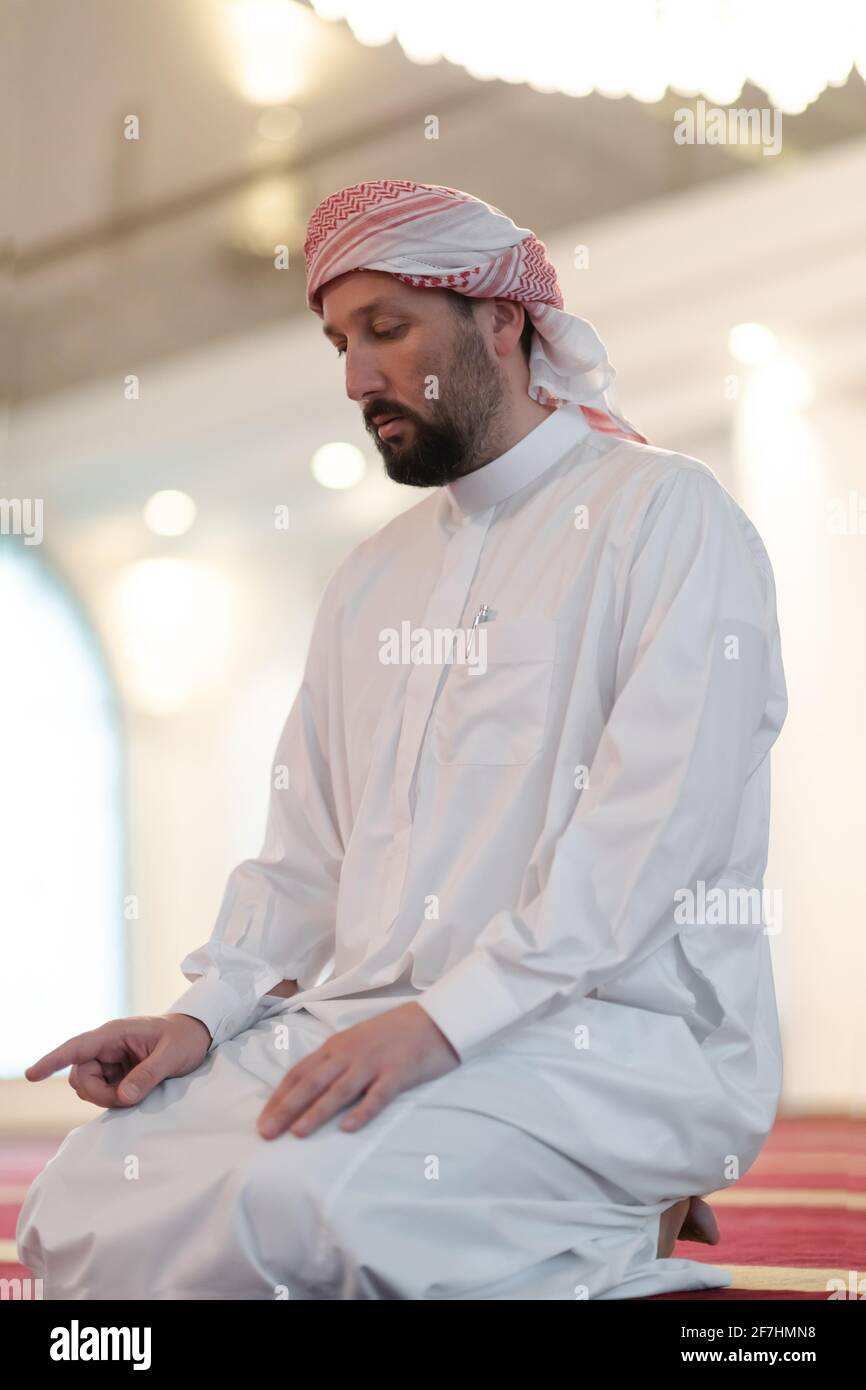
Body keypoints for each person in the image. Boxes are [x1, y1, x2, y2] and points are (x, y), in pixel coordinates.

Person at [17, 179, 787, 1300]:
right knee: (87, 1195)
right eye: (339, 341)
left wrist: (445, 1024)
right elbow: (303, 859)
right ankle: (553, 1227)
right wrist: (202, 1014)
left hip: (603, 1037)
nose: (355, 377)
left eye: (387, 329)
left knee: (310, 1207)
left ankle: (627, 1229)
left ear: (500, 319)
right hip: (372, 1025)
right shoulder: (373, 575)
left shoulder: (665, 516)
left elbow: (651, 839)